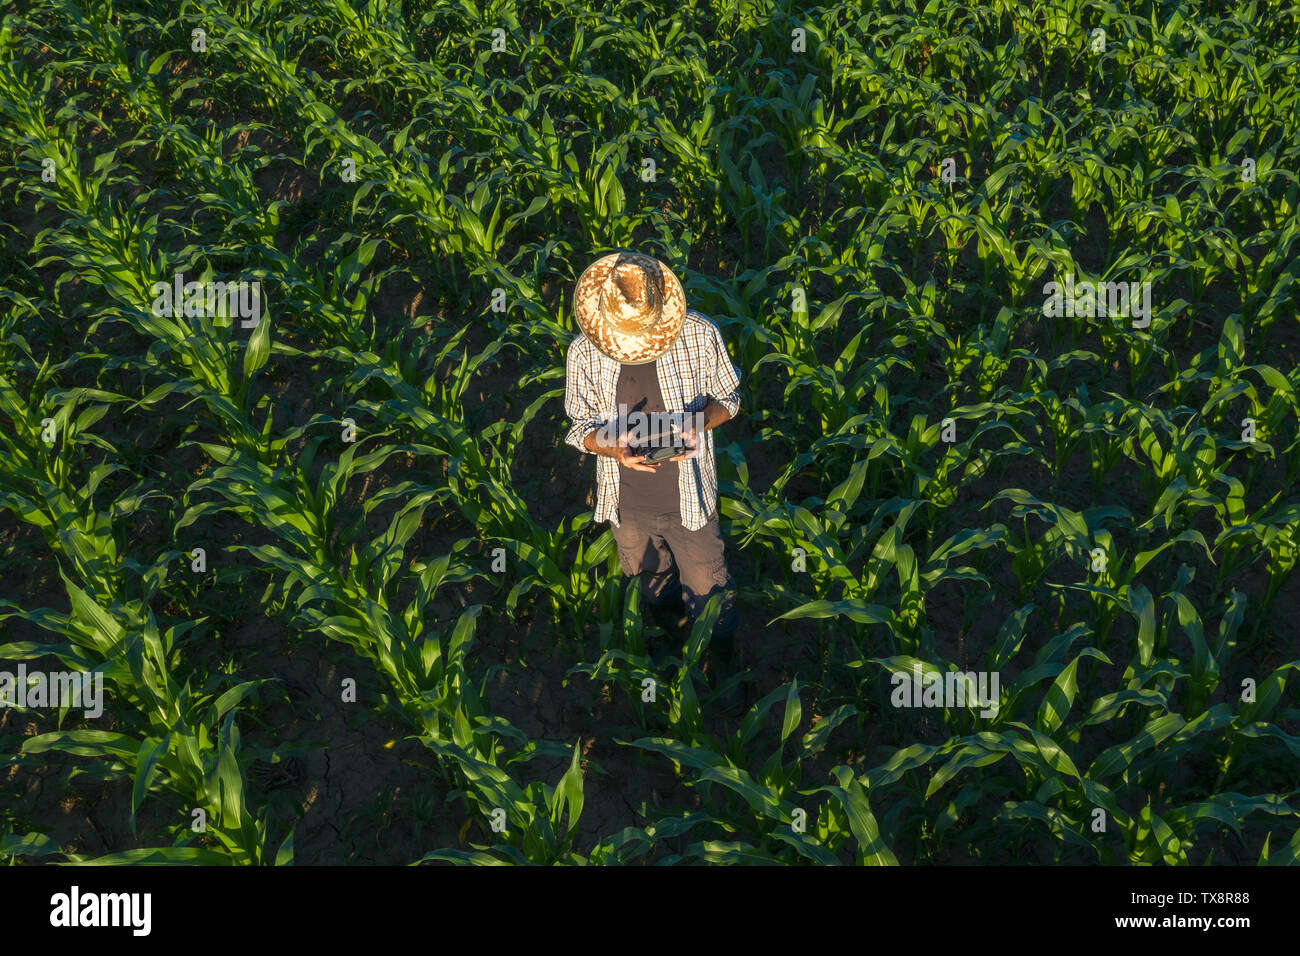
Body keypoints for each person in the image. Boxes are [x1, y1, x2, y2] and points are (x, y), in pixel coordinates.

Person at [563, 251, 746, 704]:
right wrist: (611, 446)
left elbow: (731, 397)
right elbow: (578, 427)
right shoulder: (585, 350)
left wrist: (698, 424)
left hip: (689, 498)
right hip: (627, 506)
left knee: (710, 591)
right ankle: (670, 645)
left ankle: (724, 672)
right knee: (651, 583)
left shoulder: (699, 334)